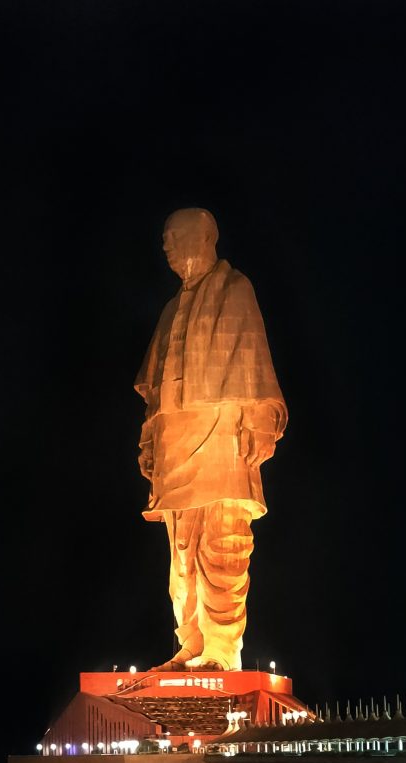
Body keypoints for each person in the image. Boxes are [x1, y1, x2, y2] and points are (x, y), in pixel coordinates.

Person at [135, 208, 287, 671]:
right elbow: (153, 390)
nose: (166, 246)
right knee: (181, 555)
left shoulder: (234, 290)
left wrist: (260, 421)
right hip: (176, 441)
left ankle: (222, 650)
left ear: (203, 237)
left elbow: (255, 362)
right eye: (163, 239)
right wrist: (149, 443)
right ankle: (191, 642)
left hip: (222, 435)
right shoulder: (169, 310)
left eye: (172, 236)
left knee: (222, 542)